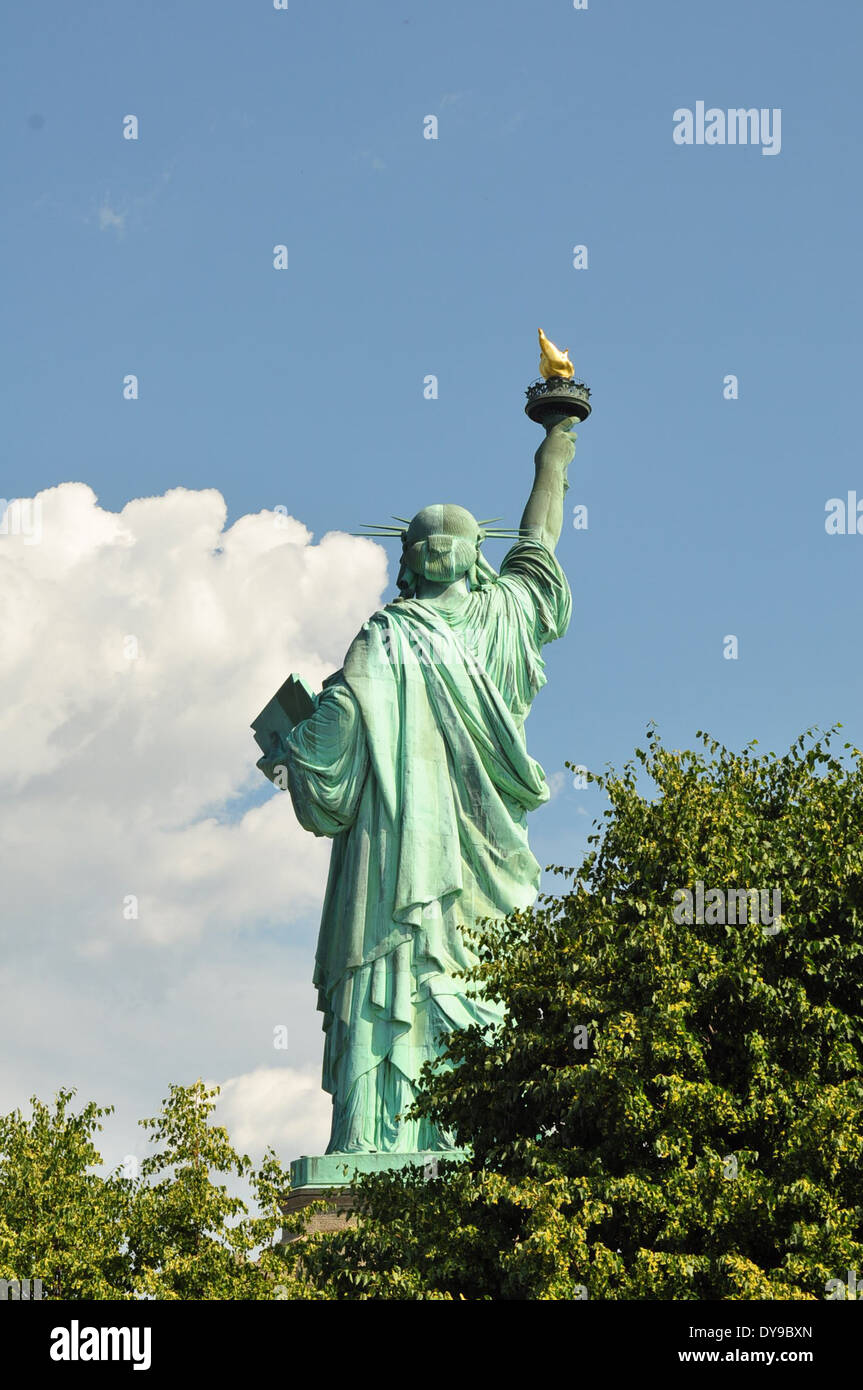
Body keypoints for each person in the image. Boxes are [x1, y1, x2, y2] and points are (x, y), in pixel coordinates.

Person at [263, 415, 576, 1154]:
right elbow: (339, 736)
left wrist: (555, 452)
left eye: (452, 538)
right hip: (393, 842)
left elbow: (538, 546)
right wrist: (305, 738)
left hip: (475, 853)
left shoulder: (496, 617)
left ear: (475, 555)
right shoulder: (387, 634)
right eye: (424, 540)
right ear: (407, 559)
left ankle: (472, 1137)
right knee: (396, 965)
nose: (437, 546)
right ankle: (373, 1140)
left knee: (468, 977)